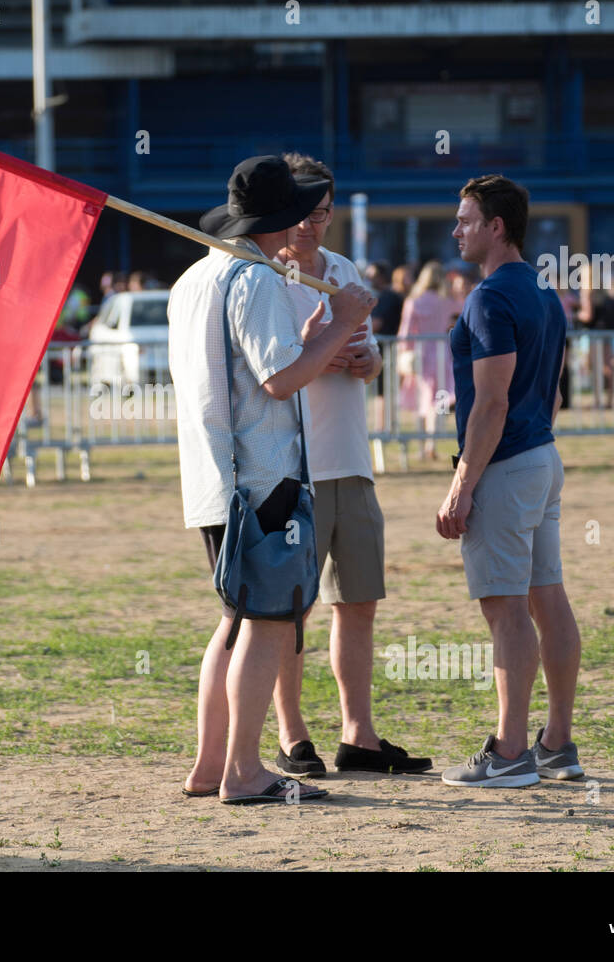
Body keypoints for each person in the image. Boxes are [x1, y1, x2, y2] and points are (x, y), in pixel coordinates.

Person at [169, 155, 374, 803]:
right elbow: (276, 379)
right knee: (266, 624)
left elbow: (266, 364)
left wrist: (312, 335)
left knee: (234, 622)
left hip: (212, 476)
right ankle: (243, 772)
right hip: (259, 478)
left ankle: (211, 767)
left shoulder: (195, 277)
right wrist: (341, 324)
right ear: (279, 217)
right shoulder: (253, 278)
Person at [269, 152, 432, 779]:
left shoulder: (342, 270)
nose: (310, 227)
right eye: (300, 215)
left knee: (358, 601)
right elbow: (272, 371)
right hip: (292, 466)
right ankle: (292, 734)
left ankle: (358, 736)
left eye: (321, 213)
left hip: (352, 461)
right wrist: (325, 343)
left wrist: (371, 363)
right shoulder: (262, 275)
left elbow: (372, 354)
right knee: (287, 609)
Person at [437, 174, 582, 788]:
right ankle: (556, 744)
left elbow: (490, 404)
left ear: (496, 227)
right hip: (541, 457)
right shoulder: (546, 295)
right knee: (547, 598)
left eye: (466, 219)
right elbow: (549, 394)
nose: (457, 229)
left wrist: (463, 484)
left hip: (507, 462)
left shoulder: (489, 298)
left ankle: (510, 752)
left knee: (504, 610)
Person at [396, 260, 457, 460]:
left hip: (420, 354)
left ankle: (423, 445)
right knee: (437, 400)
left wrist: (402, 355)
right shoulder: (447, 300)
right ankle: (432, 443)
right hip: (442, 352)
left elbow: (404, 333)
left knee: (421, 400)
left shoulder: (414, 301)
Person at [577, 262, 614, 410]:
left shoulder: (587, 292)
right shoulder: (606, 291)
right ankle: (610, 401)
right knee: (608, 367)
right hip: (607, 333)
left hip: (594, 335)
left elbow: (588, 315)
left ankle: (598, 401)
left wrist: (576, 315)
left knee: (596, 369)